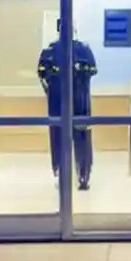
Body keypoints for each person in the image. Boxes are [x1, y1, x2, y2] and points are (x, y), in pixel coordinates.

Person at [37, 22, 97, 190]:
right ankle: (61, 172)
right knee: (58, 138)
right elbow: (41, 73)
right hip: (58, 102)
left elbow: (92, 70)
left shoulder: (83, 49)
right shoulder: (50, 51)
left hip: (79, 101)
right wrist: (49, 90)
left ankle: (83, 175)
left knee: (82, 138)